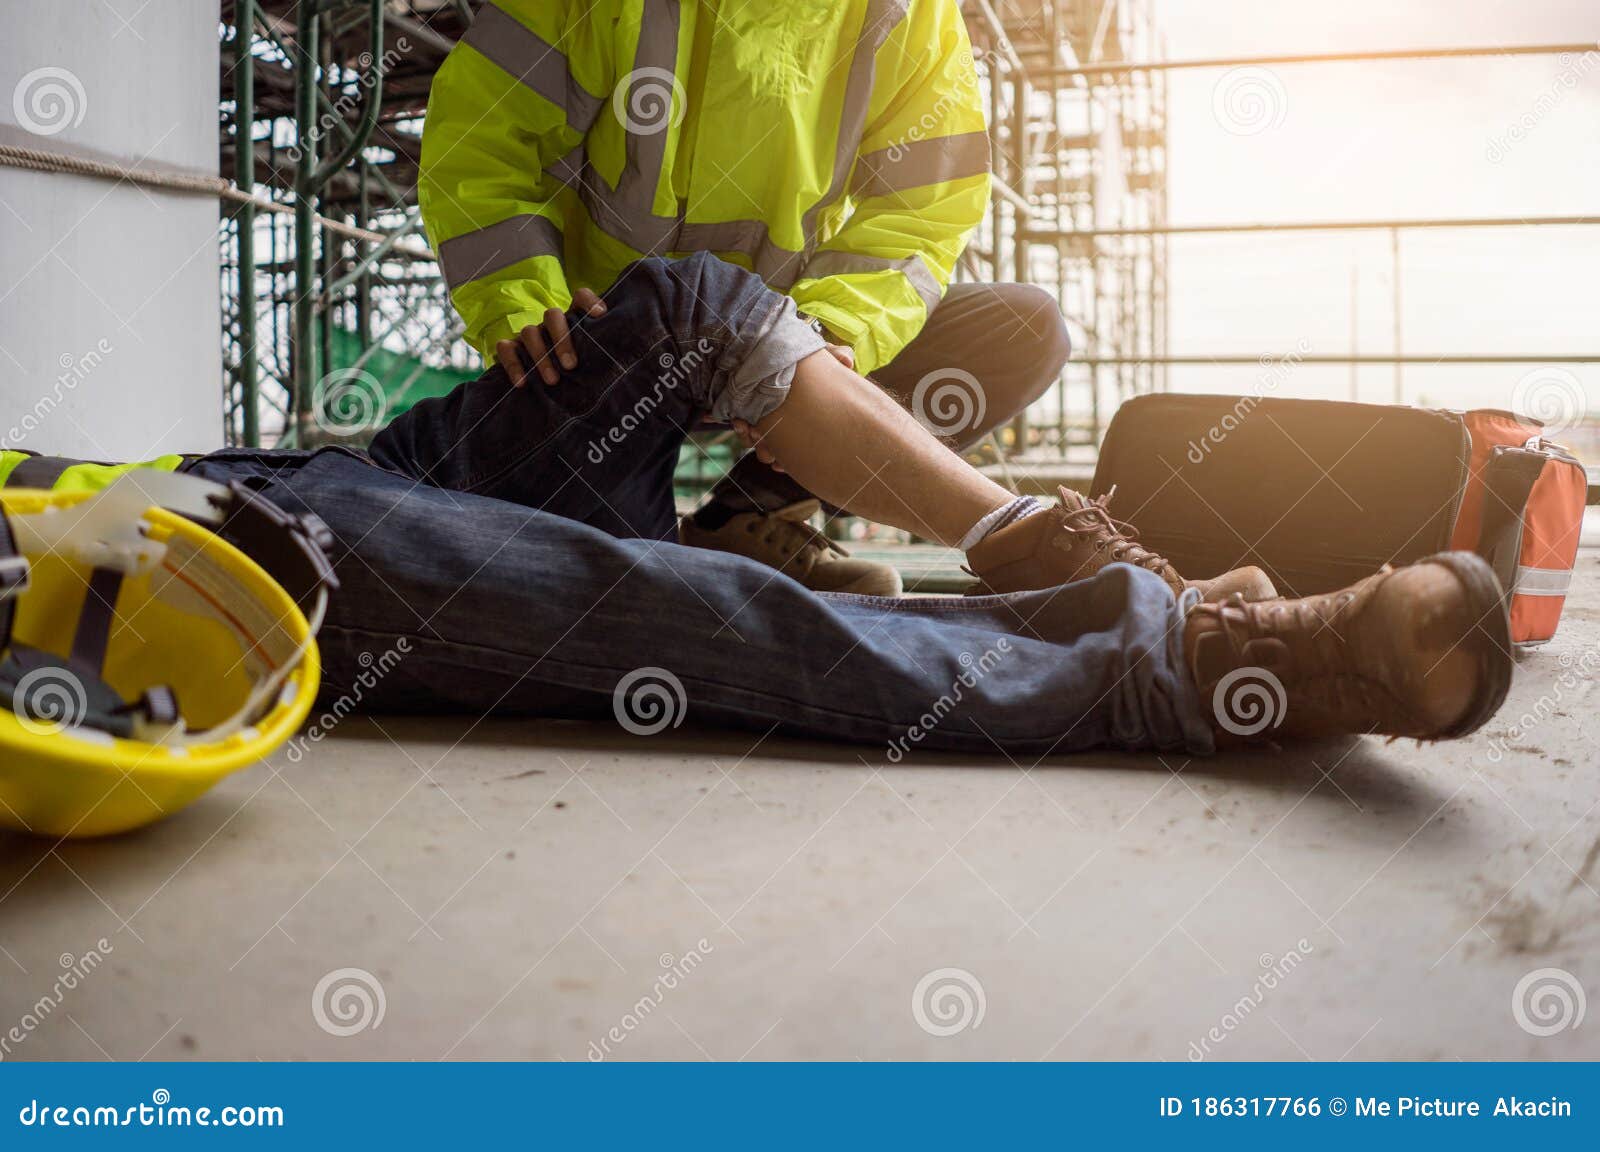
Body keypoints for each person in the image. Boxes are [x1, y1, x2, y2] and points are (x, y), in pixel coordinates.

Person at [1, 255, 1512, 754]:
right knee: (365, 559)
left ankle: (1011, 538)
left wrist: (811, 348)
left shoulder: (901, 32)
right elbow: (481, 150)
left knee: (695, 307)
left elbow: (914, 238)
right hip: (224, 533)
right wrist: (518, 287)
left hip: (738, 393)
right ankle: (1171, 662)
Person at [418, 0, 1071, 596]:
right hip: (604, 347)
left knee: (1021, 328)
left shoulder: (906, 12)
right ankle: (651, 531)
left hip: (782, 354)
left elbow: (919, 212)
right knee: (628, 596)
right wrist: (522, 303)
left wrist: (834, 333)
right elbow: (483, 143)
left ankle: (752, 516)